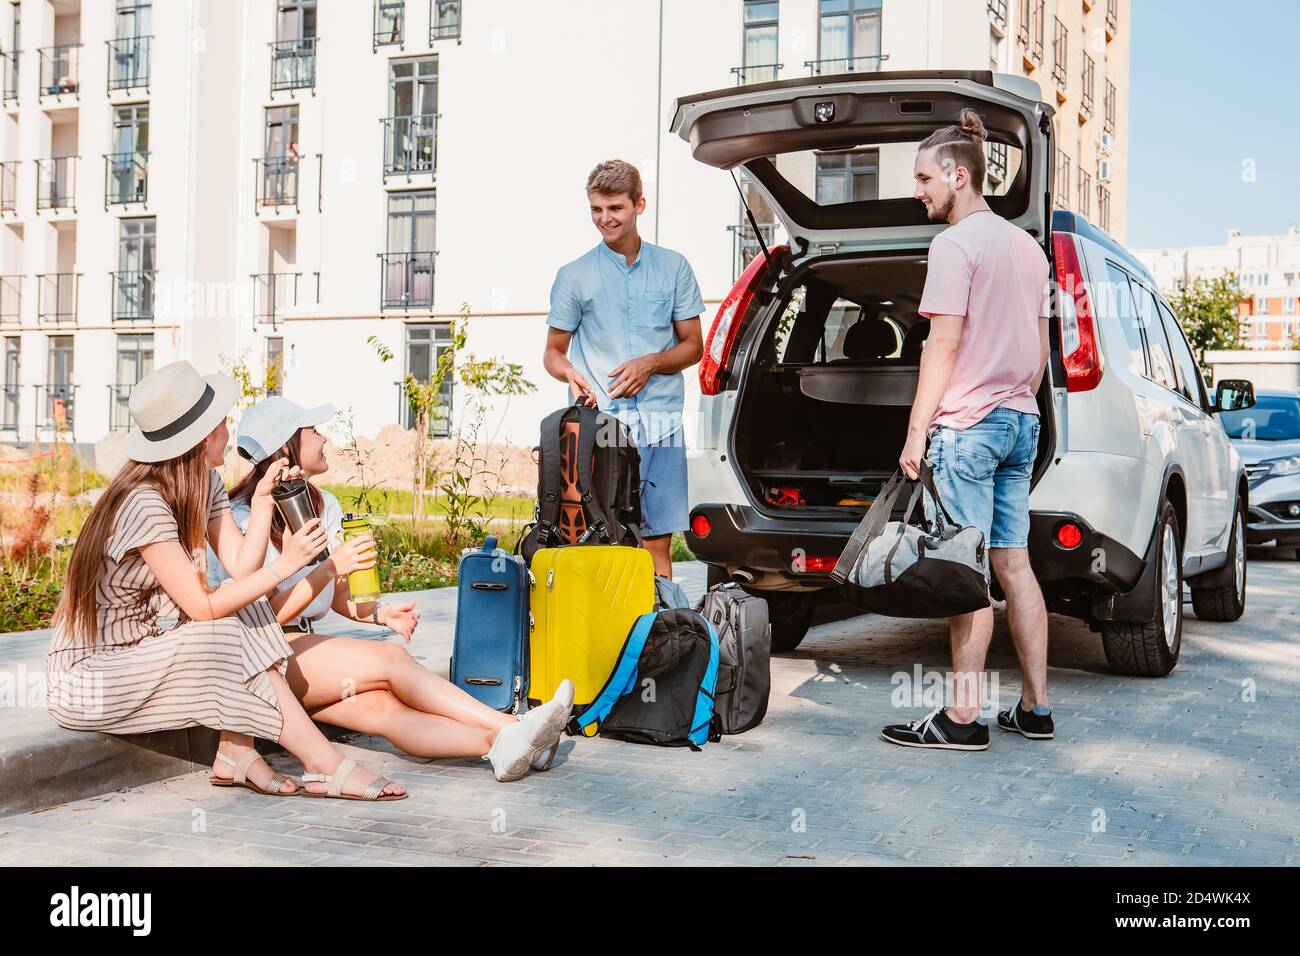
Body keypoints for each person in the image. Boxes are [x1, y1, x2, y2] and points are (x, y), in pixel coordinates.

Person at [45, 361, 407, 800]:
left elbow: (241, 568)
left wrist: (261, 504)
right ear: (200, 437)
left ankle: (236, 751)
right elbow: (202, 607)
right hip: (94, 676)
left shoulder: (204, 482)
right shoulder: (143, 501)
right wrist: (286, 564)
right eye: (218, 419)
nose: (227, 426)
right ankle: (323, 763)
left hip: (143, 655)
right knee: (220, 630)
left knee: (248, 605)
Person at [214, 396, 574, 781]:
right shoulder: (241, 519)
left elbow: (337, 599)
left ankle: (499, 747)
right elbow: (259, 619)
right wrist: (328, 568)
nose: (324, 438)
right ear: (285, 447)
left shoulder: (324, 504)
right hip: (265, 657)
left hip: (308, 654)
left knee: (383, 711)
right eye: (313, 431)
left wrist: (382, 614)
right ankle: (513, 724)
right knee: (391, 659)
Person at [880, 109, 1054, 751]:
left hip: (967, 428)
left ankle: (961, 720)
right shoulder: (1029, 249)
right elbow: (1039, 352)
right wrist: (1013, 401)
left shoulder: (954, 246)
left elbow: (942, 346)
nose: (919, 190)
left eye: (925, 178)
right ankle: (1035, 710)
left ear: (959, 174)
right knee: (1014, 564)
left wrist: (916, 430)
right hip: (1019, 422)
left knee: (965, 571)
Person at [542, 159, 705, 579]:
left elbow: (693, 347)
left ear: (639, 205)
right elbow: (554, 352)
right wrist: (569, 375)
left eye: (614, 208)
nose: (604, 219)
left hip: (662, 423)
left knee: (656, 544)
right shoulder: (573, 276)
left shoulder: (674, 268)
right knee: (600, 536)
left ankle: (659, 636)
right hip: (604, 427)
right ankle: (608, 637)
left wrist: (652, 362)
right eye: (596, 209)